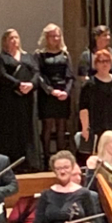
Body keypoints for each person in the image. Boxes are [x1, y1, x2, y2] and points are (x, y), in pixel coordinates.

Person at [0, 29, 38, 167]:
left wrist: (31, 84)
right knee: (9, 129)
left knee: (26, 129)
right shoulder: (1, 58)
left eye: (16, 37)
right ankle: (10, 162)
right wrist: (19, 84)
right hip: (8, 100)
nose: (14, 40)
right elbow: (2, 75)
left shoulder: (28, 57)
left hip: (26, 99)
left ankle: (29, 162)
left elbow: (36, 73)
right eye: (11, 38)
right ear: (5, 41)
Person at [77, 48, 112, 149]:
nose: (105, 64)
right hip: (98, 126)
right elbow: (84, 108)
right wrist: (85, 128)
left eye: (107, 61)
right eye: (101, 61)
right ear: (96, 64)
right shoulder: (89, 85)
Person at [35, 23, 75, 161]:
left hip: (63, 94)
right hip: (47, 94)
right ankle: (46, 158)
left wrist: (66, 92)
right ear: (46, 37)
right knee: (47, 126)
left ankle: (61, 157)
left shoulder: (65, 54)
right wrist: (51, 91)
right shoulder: (40, 55)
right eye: (52, 36)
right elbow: (38, 76)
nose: (55, 39)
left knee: (61, 127)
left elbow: (70, 76)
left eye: (57, 36)